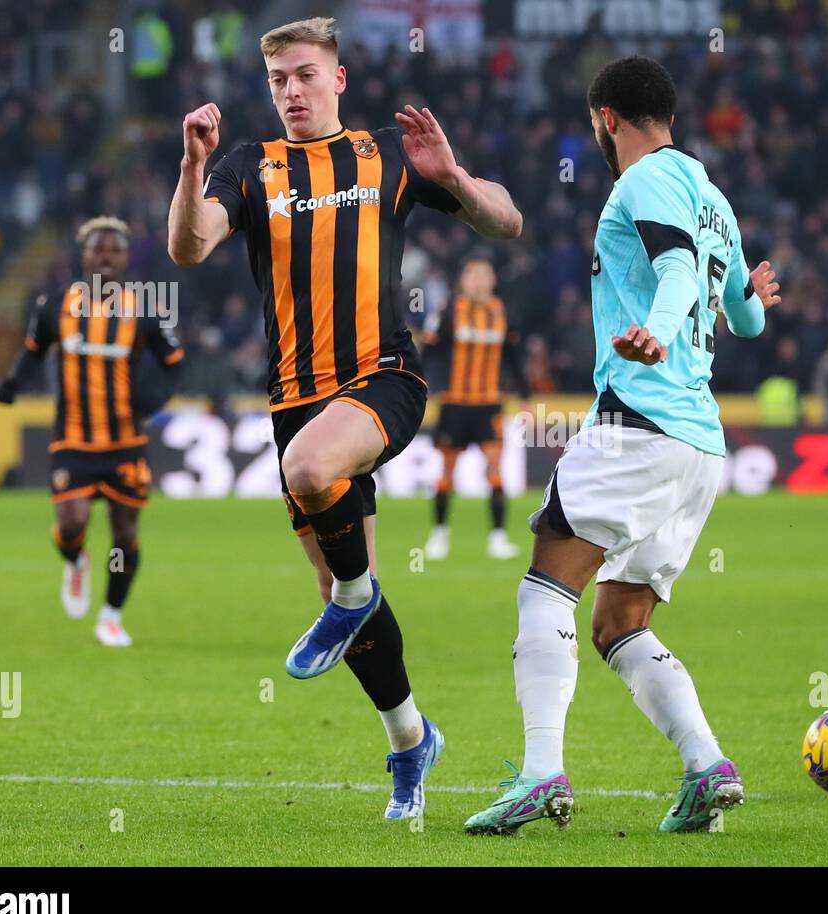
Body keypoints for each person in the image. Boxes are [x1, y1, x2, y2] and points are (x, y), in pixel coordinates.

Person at [165, 16, 522, 820]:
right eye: (277, 81)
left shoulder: (385, 156)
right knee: (342, 584)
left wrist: (457, 178)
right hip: (294, 400)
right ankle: (409, 741)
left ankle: (355, 603)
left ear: (338, 77)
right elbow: (189, 248)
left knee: (307, 476)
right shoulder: (247, 165)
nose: (291, 91)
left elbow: (507, 221)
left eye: (303, 75)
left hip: (384, 378)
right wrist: (190, 168)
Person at [464, 56, 779, 836]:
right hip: (699, 448)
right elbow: (748, 322)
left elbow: (674, 270)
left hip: (639, 423)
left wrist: (658, 332)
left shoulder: (641, 182)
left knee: (546, 584)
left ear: (605, 117)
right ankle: (708, 766)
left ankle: (541, 774)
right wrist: (751, 295)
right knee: (619, 622)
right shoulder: (716, 199)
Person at [0, 216, 184, 647]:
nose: (105, 256)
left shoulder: (146, 308)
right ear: (83, 254)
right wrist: (12, 383)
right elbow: (31, 352)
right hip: (73, 440)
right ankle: (75, 558)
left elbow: (174, 365)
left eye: (114, 250)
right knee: (71, 521)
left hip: (125, 443)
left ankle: (111, 616)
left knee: (124, 535)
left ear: (125, 257)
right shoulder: (54, 304)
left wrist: (150, 400)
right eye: (98, 248)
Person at [420, 256, 530, 561]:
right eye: (473, 276)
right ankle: (439, 535)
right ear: (463, 281)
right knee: (446, 473)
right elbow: (429, 352)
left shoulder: (502, 312)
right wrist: (422, 387)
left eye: (484, 276)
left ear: (493, 280)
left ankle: (498, 538)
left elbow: (514, 357)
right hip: (454, 403)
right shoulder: (448, 311)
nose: (479, 282)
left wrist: (525, 396)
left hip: (489, 403)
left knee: (495, 471)